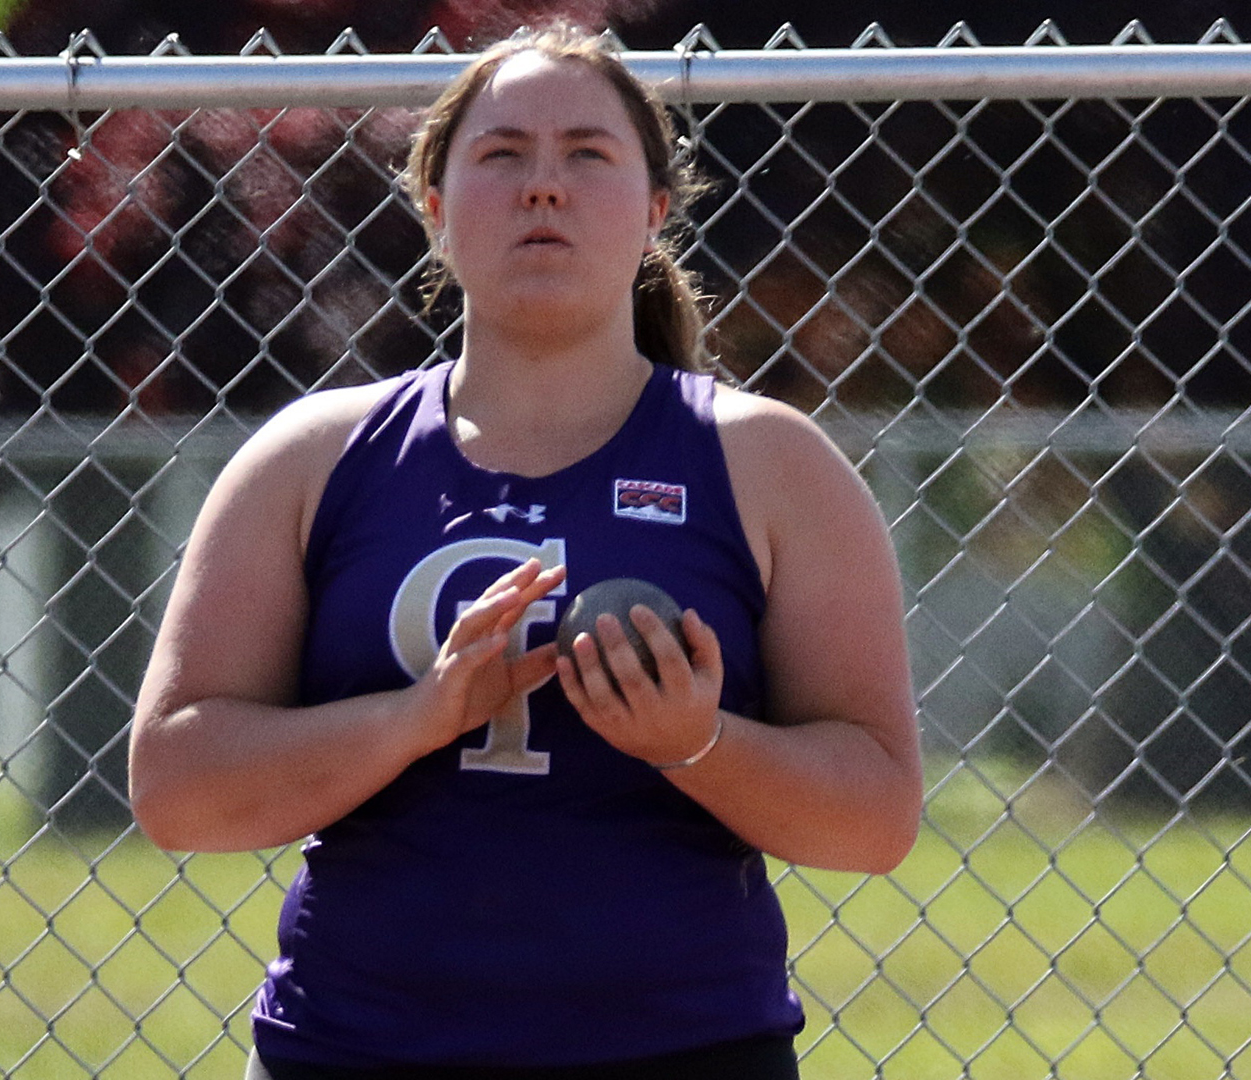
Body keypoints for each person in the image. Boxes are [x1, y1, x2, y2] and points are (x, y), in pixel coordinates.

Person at [129, 24, 921, 1079]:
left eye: (588, 155)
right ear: (436, 211)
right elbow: (178, 789)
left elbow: (874, 820)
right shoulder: (312, 459)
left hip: (685, 1047)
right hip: (356, 1049)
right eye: (502, 155)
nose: (543, 187)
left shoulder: (769, 462)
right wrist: (416, 718)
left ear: (653, 214)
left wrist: (694, 742)